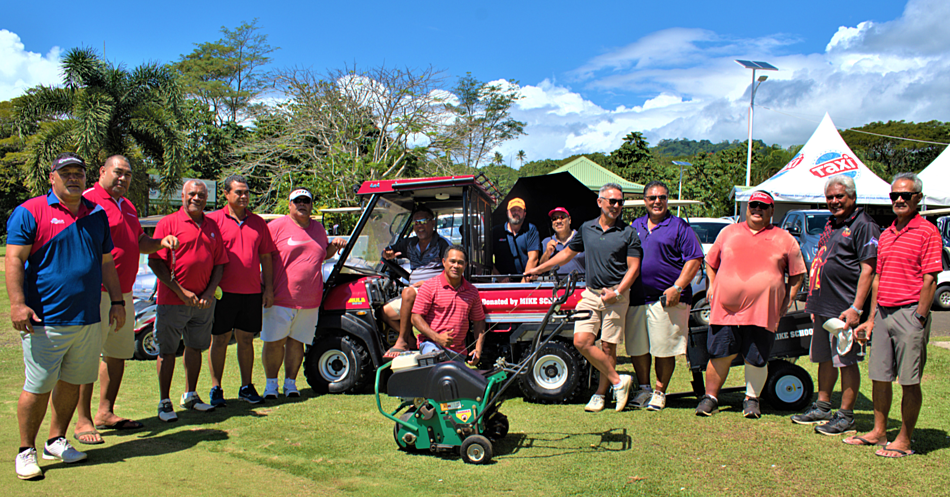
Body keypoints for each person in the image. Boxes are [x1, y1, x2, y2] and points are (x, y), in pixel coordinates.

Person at [7, 153, 124, 479]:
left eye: (78, 172)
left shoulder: (96, 214)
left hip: (87, 318)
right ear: (52, 177)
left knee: (73, 382)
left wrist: (117, 301)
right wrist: (17, 304)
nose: (73, 177)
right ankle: (25, 450)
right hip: (46, 319)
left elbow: (105, 263)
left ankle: (55, 440)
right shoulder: (30, 211)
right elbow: (14, 259)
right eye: (66, 172)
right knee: (39, 385)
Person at [72, 155, 179, 445]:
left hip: (125, 294)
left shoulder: (128, 206)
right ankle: (83, 421)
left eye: (128, 174)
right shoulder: (87, 202)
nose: (123, 178)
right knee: (86, 359)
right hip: (96, 293)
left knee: (118, 354)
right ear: (102, 172)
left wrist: (160, 242)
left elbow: (139, 242)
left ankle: (106, 412)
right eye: (118, 172)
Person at [845, 173, 941, 458]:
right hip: (884, 314)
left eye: (906, 195)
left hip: (910, 313)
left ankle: (904, 439)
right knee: (880, 376)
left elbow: (930, 279)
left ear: (918, 199)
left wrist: (920, 318)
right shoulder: (886, 234)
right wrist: (871, 318)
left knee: (909, 380)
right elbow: (877, 278)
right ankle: (878, 431)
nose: (899, 200)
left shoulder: (927, 232)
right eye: (894, 196)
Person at [526, 183, 641, 412]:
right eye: (612, 201)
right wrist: (539, 269)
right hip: (591, 293)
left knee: (608, 348)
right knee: (581, 341)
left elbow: (634, 269)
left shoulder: (628, 232)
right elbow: (567, 253)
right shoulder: (587, 228)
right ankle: (619, 382)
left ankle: (601, 394)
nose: (616, 206)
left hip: (616, 296)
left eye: (620, 202)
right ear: (600, 202)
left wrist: (617, 292)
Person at [696, 191, 805, 419]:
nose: (757, 209)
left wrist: (789, 298)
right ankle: (710, 397)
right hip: (725, 310)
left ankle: (752, 399)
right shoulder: (729, 232)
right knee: (719, 353)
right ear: (747, 208)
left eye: (763, 206)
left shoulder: (785, 238)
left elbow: (797, 275)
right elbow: (711, 263)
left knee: (756, 356)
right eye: (753, 205)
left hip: (763, 310)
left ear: (771, 211)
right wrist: (712, 286)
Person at [791, 175, 879, 435]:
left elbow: (869, 269)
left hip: (845, 308)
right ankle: (823, 406)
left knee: (846, 360)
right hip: (823, 306)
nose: (834, 201)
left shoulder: (864, 225)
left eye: (839, 196)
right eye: (830, 197)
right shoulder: (833, 223)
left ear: (852, 196)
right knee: (825, 359)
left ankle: (846, 416)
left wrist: (857, 308)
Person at [148, 180, 228, 422]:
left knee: (195, 347)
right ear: (182, 195)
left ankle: (190, 395)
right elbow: (155, 261)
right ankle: (164, 402)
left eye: (201, 195)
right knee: (167, 351)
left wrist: (208, 292)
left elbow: (220, 263)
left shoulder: (212, 225)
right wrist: (181, 291)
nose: (197, 198)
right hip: (173, 301)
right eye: (192, 193)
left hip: (203, 304)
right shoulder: (168, 223)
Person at [626, 181, 704, 411]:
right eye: (652, 198)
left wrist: (677, 287)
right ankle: (644, 389)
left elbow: (694, 259)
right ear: (645, 201)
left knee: (663, 348)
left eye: (661, 197)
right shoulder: (636, 225)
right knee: (638, 347)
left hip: (667, 299)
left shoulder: (679, 226)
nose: (657, 201)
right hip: (638, 297)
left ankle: (660, 391)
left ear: (667, 200)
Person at [261, 188, 345, 398]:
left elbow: (320, 255)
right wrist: (267, 288)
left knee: (297, 342)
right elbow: (263, 256)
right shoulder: (277, 226)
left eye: (306, 201)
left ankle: (290, 384)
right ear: (289, 205)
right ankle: (271, 385)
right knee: (274, 342)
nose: (302, 204)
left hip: (309, 299)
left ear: (310, 204)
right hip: (279, 297)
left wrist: (334, 246)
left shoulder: (317, 228)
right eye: (297, 201)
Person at [206, 175, 277, 406]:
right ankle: (216, 388)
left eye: (246, 192)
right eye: (239, 192)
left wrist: (268, 289)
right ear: (226, 194)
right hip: (222, 292)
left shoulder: (258, 223)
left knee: (246, 340)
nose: (244, 196)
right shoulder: (213, 220)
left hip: (251, 292)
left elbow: (266, 257)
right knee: (220, 340)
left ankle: (246, 386)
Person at [381, 206, 451, 358]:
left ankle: (401, 342)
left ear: (433, 223)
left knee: (408, 292)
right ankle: (412, 341)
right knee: (385, 313)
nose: (419, 226)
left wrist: (428, 283)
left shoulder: (442, 244)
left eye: (423, 221)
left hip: (436, 292)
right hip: (415, 292)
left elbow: (453, 272)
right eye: (416, 222)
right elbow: (388, 250)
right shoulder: (409, 244)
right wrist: (387, 254)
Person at [410, 245, 486, 364]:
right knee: (437, 369)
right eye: (452, 261)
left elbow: (479, 321)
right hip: (432, 345)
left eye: (460, 263)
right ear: (444, 262)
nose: (456, 266)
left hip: (458, 353)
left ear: (465, 265)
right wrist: (437, 338)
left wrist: (478, 348)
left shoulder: (472, 291)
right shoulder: (429, 286)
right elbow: (415, 318)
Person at [492, 197, 541, 282]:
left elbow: (533, 258)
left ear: (524, 214)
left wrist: (523, 283)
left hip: (526, 281)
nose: (516, 212)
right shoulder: (496, 231)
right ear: (507, 213)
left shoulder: (531, 229)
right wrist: (500, 278)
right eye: (513, 210)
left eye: (520, 210)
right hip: (501, 282)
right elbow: (486, 260)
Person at [539, 207, 585, 275]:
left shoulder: (582, 238)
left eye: (562, 217)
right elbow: (541, 270)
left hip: (579, 284)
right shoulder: (546, 242)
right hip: (556, 285)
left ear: (569, 220)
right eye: (554, 218)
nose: (558, 221)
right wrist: (547, 253)